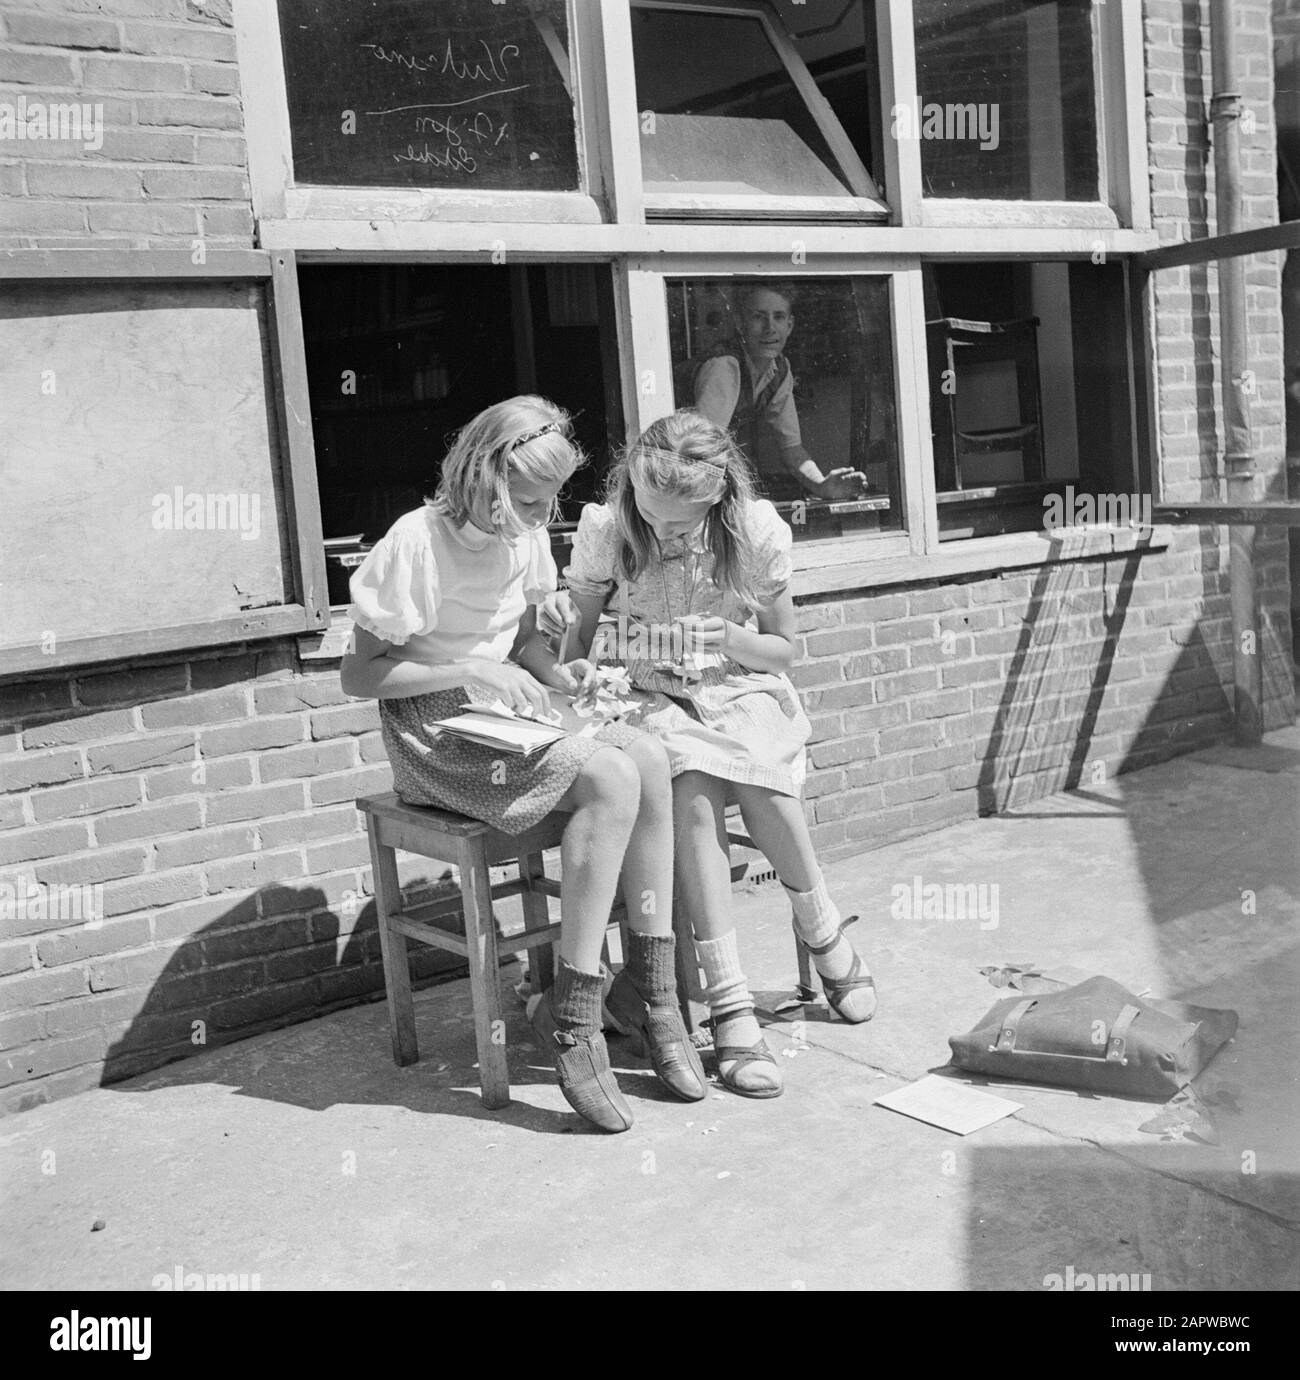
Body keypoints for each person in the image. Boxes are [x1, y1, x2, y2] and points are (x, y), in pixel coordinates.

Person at [339, 396, 705, 1133]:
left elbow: (521, 650)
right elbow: (361, 676)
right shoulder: (414, 541)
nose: (543, 516)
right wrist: (470, 670)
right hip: (433, 731)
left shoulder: (523, 535)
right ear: (483, 477)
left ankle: (651, 992)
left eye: (552, 500)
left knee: (650, 758)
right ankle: (574, 1015)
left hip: (502, 713)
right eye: (530, 499)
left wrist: (553, 670)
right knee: (608, 776)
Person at [539, 409, 876, 1101]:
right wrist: (578, 651)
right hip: (644, 692)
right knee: (689, 783)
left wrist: (725, 636)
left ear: (717, 498)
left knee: (755, 768)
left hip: (736, 680)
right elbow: (578, 647)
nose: (660, 531)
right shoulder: (607, 528)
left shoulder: (754, 531)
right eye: (650, 513)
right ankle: (731, 1004)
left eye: (678, 522)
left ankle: (819, 928)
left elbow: (783, 650)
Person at [677, 283, 869, 503]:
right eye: (759, 317)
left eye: (778, 317)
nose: (770, 328)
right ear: (740, 324)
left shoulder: (779, 368)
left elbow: (792, 449)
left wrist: (822, 486)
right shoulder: (725, 366)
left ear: (790, 325)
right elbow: (703, 452)